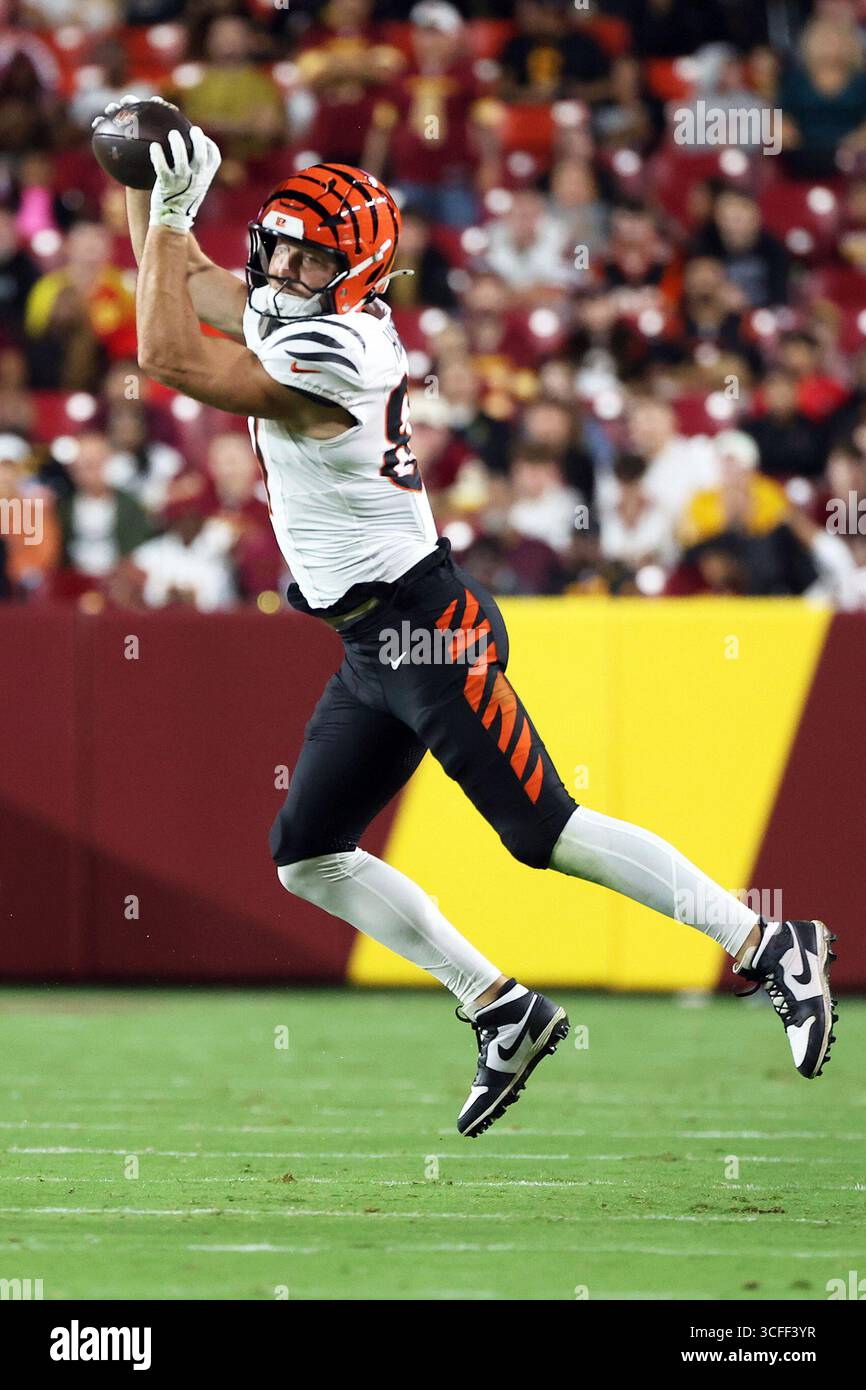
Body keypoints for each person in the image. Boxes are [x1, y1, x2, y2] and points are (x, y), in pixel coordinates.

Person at [114, 94, 838, 1139]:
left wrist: (169, 209)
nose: (279, 275)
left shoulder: (346, 355)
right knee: (306, 853)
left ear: (355, 274)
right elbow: (182, 284)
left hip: (426, 627)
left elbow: (172, 358)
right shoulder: (296, 302)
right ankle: (499, 1005)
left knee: (543, 830)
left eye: (305, 262)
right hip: (371, 639)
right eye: (276, 252)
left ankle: (768, 941)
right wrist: (152, 191)